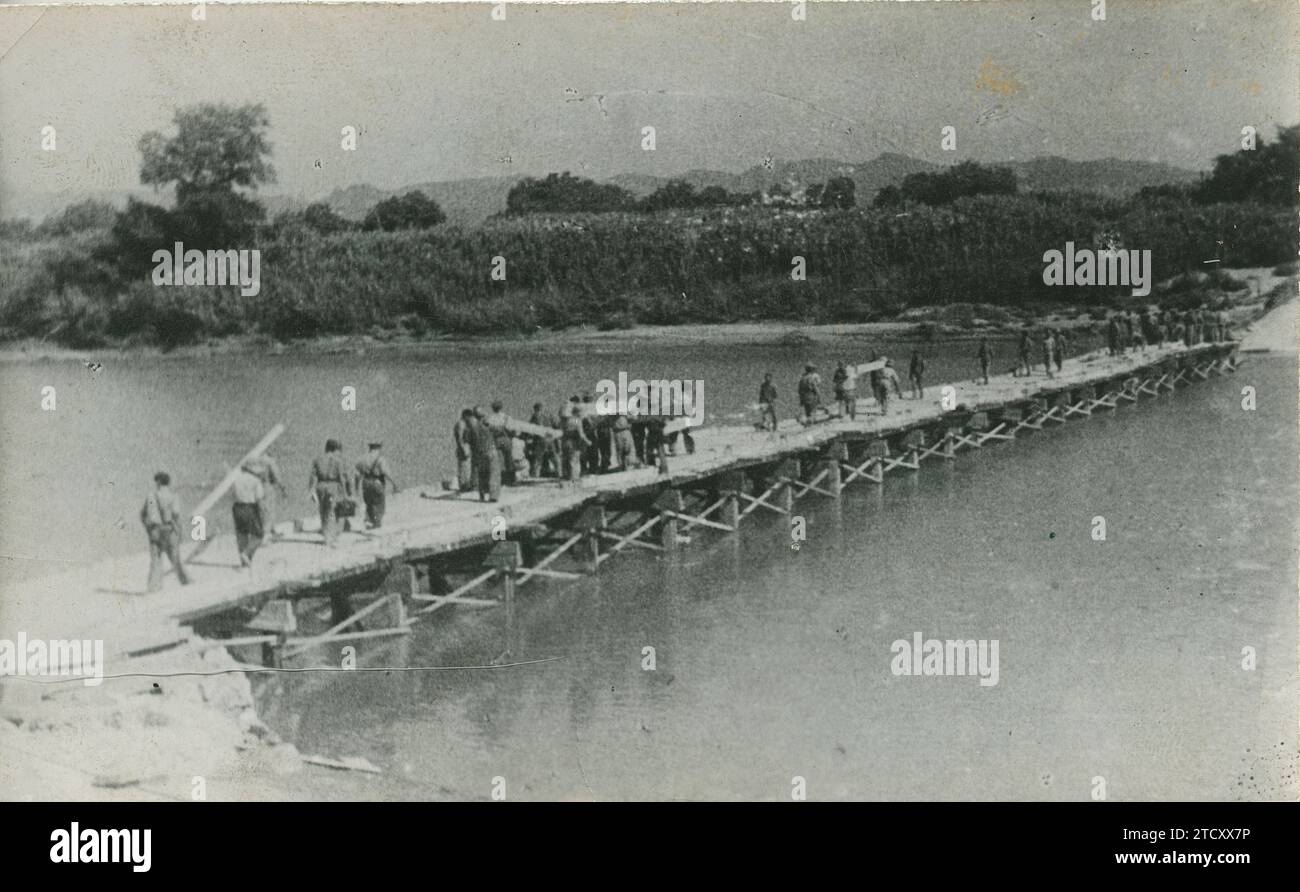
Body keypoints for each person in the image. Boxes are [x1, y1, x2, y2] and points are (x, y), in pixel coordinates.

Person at [142, 471, 191, 591]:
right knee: (175, 559)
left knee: (156, 561)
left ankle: (153, 588)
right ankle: (185, 581)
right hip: (169, 530)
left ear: (158, 482)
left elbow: (144, 514)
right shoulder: (173, 496)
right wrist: (179, 531)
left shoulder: (151, 496)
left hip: (155, 531)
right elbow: (176, 514)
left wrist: (148, 528)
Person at [308, 439, 350, 547]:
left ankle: (326, 535)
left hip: (320, 486)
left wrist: (311, 490)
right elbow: (341, 478)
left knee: (323, 511)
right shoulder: (337, 461)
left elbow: (313, 477)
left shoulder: (317, 460)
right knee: (331, 511)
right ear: (335, 449)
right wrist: (345, 494)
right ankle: (330, 539)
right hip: (333, 486)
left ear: (326, 448)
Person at [354, 441, 399, 529]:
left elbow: (357, 474)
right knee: (379, 503)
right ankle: (376, 522)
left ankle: (369, 520)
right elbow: (386, 472)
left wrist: (356, 487)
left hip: (366, 482)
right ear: (378, 448)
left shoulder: (362, 458)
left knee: (369, 502)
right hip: (377, 482)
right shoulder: (380, 459)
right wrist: (394, 483)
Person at [243, 453, 286, 540]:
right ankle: (265, 536)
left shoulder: (251, 460)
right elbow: (277, 477)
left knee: (260, 510)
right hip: (267, 487)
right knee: (269, 511)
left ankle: (271, 531)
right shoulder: (270, 461)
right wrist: (283, 489)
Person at [231, 462, 265, 567]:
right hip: (250, 507)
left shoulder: (236, 479)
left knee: (241, 534)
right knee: (259, 535)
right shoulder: (255, 481)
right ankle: (246, 554)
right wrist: (262, 512)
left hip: (237, 507)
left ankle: (243, 563)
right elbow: (259, 498)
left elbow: (232, 495)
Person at [471, 406, 502, 502]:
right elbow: (499, 431)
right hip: (491, 450)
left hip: (480, 452)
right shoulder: (488, 425)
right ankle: (493, 496)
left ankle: (482, 494)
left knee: (482, 474)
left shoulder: (473, 428)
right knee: (494, 473)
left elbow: (470, 441)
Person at [485, 401, 515, 487]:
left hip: (496, 439)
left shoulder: (489, 418)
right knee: (509, 459)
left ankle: (502, 480)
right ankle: (510, 480)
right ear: (501, 407)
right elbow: (511, 429)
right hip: (506, 438)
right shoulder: (506, 417)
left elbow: (487, 429)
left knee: (499, 461)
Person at [527, 402, 559, 478]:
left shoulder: (535, 416)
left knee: (538, 459)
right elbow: (556, 425)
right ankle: (559, 473)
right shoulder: (549, 415)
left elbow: (531, 430)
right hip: (550, 439)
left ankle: (535, 475)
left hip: (540, 440)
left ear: (535, 409)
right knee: (554, 457)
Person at [561, 405, 590, 481]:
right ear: (577, 413)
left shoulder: (566, 420)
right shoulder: (577, 420)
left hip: (565, 441)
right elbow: (581, 434)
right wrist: (588, 442)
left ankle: (566, 477)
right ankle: (574, 478)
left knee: (566, 460)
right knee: (574, 460)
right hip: (574, 442)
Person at [453, 409, 476, 492]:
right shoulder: (461, 424)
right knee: (464, 468)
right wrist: (463, 449)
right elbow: (460, 438)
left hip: (466, 446)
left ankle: (466, 485)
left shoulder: (463, 424)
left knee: (467, 468)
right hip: (464, 447)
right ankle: (463, 486)